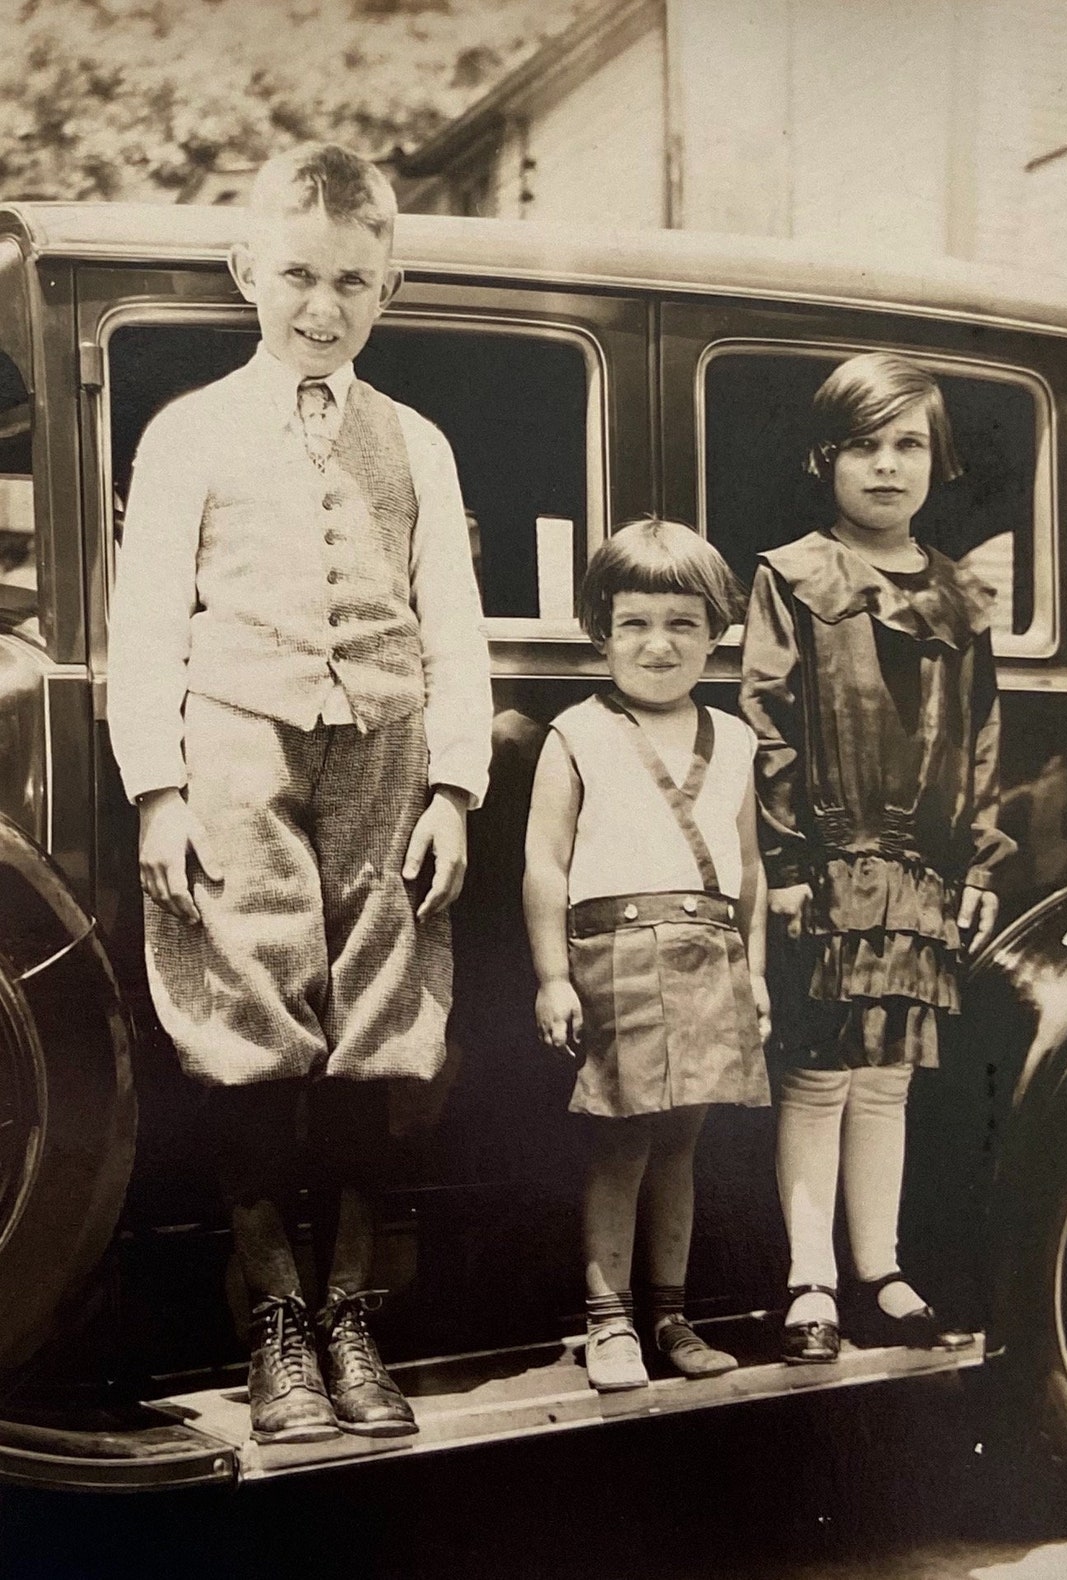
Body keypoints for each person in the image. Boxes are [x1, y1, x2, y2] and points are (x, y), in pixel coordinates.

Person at [107, 143, 492, 1442]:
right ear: (245, 274)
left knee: (378, 1030)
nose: (320, 306)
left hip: (383, 748)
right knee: (255, 1024)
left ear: (388, 286)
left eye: (349, 280)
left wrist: (456, 787)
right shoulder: (190, 434)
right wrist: (157, 792)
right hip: (236, 748)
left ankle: (352, 1319)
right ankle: (273, 1319)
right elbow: (147, 621)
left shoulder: (421, 442)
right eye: (295, 276)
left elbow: (456, 623)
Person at [739, 351, 1015, 1364]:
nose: (887, 467)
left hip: (920, 870)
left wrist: (976, 865)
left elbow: (980, 734)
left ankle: (880, 1264)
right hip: (828, 853)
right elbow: (769, 722)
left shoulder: (956, 594)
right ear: (826, 458)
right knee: (817, 1070)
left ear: (937, 463)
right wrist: (790, 858)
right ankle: (810, 1275)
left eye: (909, 445)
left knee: (888, 1073)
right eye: (865, 445)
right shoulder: (794, 576)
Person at [523, 518, 771, 1393]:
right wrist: (553, 976)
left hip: (709, 954)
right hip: (616, 957)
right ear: (602, 629)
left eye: (682, 624)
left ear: (715, 634)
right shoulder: (577, 734)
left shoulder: (735, 740)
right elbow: (545, 863)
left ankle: (670, 1314)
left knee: (681, 1145)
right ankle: (608, 1323)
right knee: (620, 1144)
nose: (658, 645)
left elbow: (748, 869)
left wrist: (758, 972)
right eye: (634, 623)